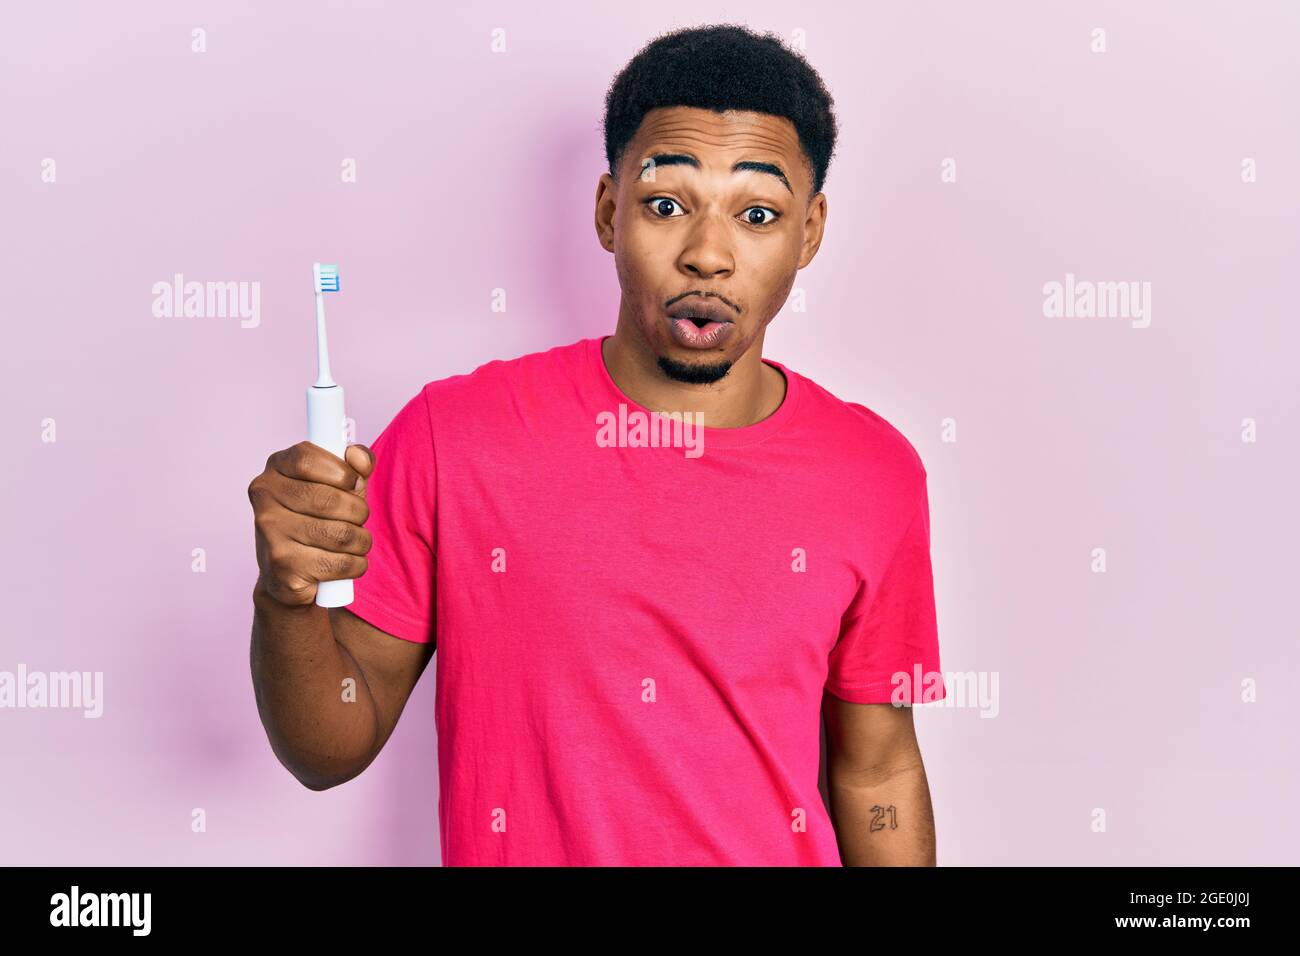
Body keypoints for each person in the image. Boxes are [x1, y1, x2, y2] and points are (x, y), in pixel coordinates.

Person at [248, 22, 947, 866]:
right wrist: (285, 601)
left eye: (757, 213)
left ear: (809, 232)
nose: (708, 255)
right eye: (665, 204)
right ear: (610, 213)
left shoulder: (875, 475)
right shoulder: (454, 437)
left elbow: (877, 774)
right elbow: (327, 749)